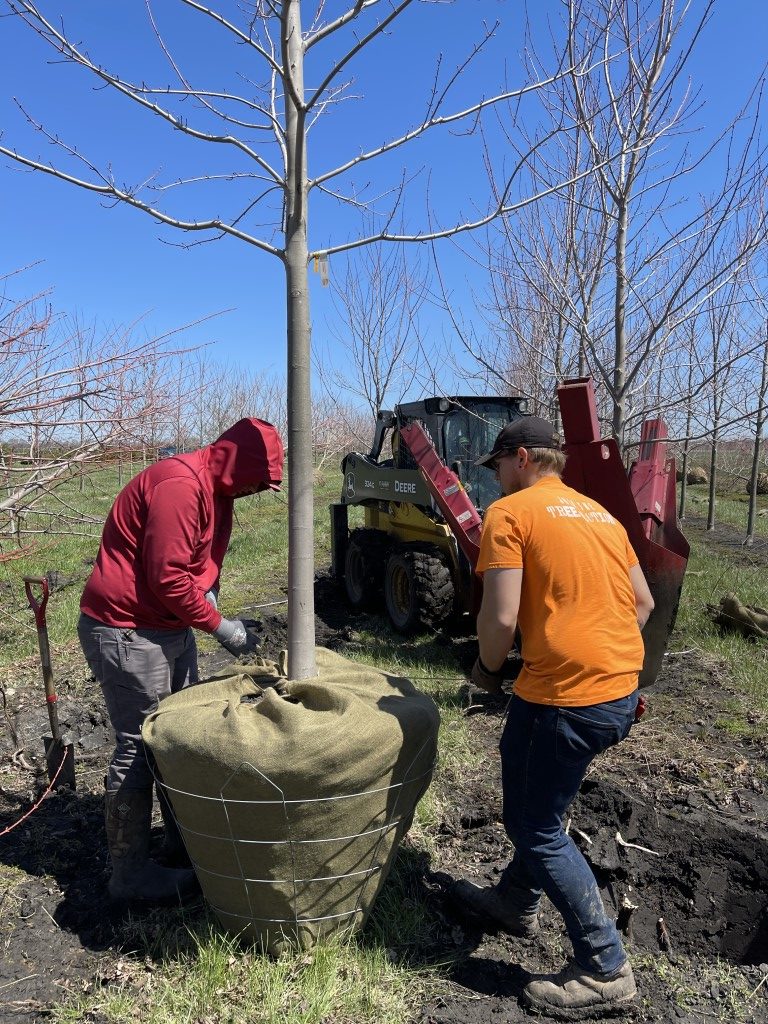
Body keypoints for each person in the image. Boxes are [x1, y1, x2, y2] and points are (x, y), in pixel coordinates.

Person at [452, 415, 654, 1017]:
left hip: (565, 697)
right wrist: (603, 654)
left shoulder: (511, 515)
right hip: (617, 690)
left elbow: (502, 618)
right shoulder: (601, 516)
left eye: (497, 469)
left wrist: (488, 673)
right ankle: (516, 899)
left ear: (519, 459)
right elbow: (642, 603)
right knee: (543, 792)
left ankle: (603, 967)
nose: (496, 482)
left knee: (533, 824)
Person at [78, 418, 284, 904]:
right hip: (127, 627)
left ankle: (180, 843)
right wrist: (219, 625)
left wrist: (208, 596)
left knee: (178, 733)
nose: (258, 490)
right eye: (259, 478)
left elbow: (197, 566)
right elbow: (169, 577)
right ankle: (129, 874)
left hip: (166, 625)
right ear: (237, 462)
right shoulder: (179, 485)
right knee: (142, 743)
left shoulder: (218, 492)